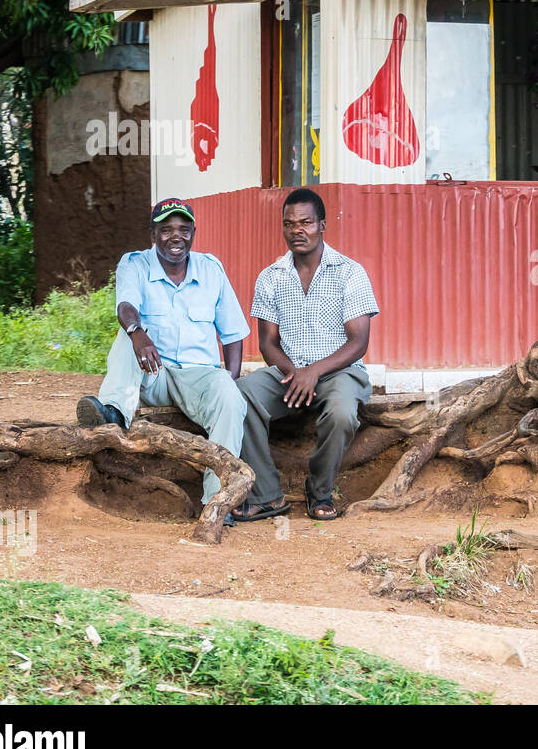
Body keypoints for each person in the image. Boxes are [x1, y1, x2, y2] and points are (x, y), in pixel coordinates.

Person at [76, 198, 249, 505]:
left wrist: (229, 382)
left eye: (183, 229)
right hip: (151, 375)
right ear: (152, 235)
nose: (175, 236)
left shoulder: (211, 270)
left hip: (199, 377)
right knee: (127, 335)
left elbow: (233, 333)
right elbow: (126, 306)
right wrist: (137, 332)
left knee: (230, 396)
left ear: (193, 232)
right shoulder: (134, 264)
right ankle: (112, 412)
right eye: (166, 229)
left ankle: (218, 501)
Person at [231, 188, 379, 522]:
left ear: (322, 225)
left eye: (306, 222)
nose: (298, 230)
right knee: (240, 394)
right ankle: (267, 495)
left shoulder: (349, 272)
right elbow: (268, 343)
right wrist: (296, 373)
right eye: (289, 224)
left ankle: (320, 490)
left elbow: (358, 342)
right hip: (287, 374)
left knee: (342, 414)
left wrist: (313, 372)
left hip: (340, 371)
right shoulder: (271, 277)